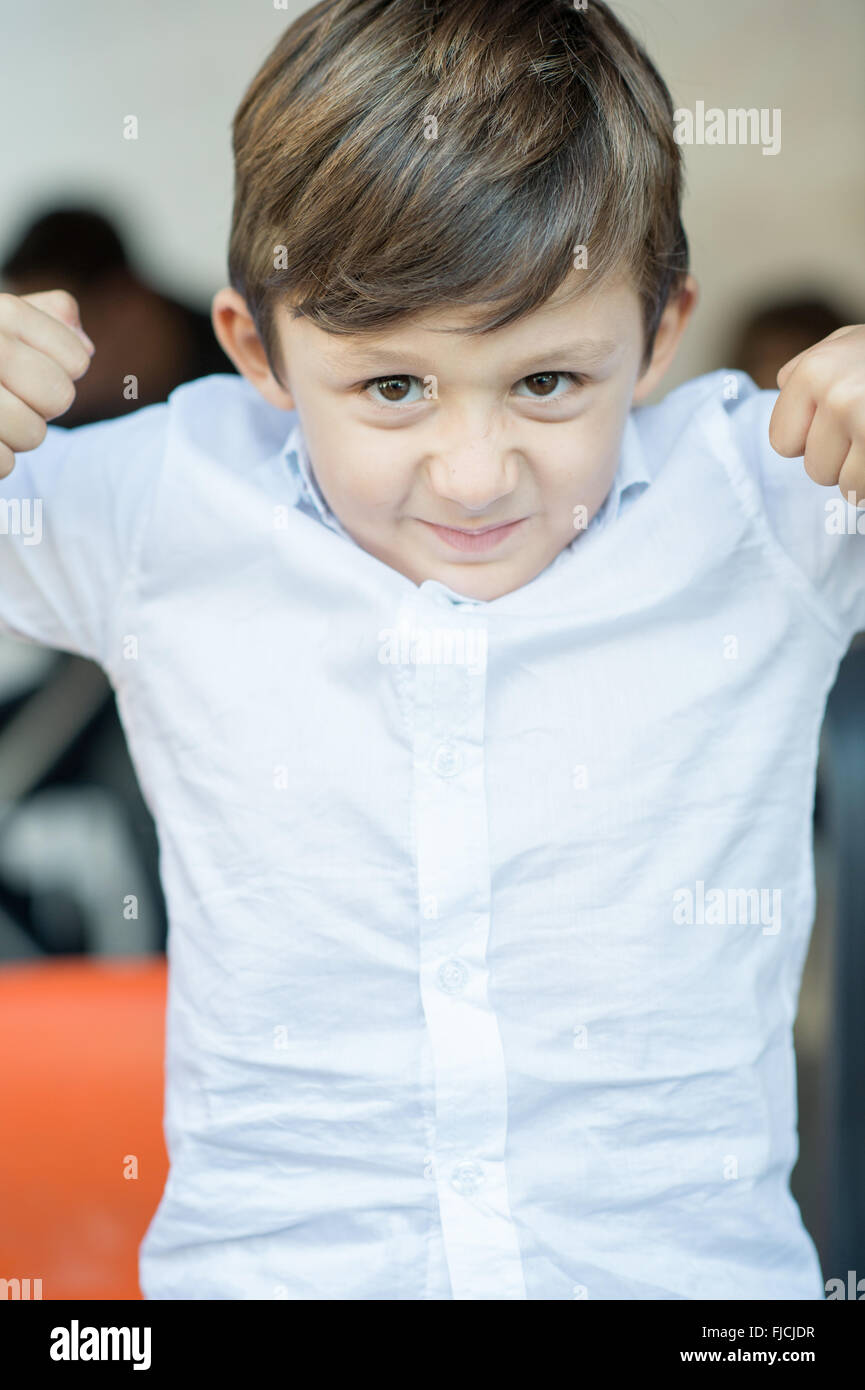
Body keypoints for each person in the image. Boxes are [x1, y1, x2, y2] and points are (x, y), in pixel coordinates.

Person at [1, 0, 864, 1301]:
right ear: (257, 349)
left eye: (547, 383)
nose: (472, 474)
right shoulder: (161, 505)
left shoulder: (769, 500)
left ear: (663, 328)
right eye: (392, 388)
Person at [0, 206, 236, 427]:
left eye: (51, 325)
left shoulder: (241, 367)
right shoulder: (50, 418)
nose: (35, 350)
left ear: (122, 306)